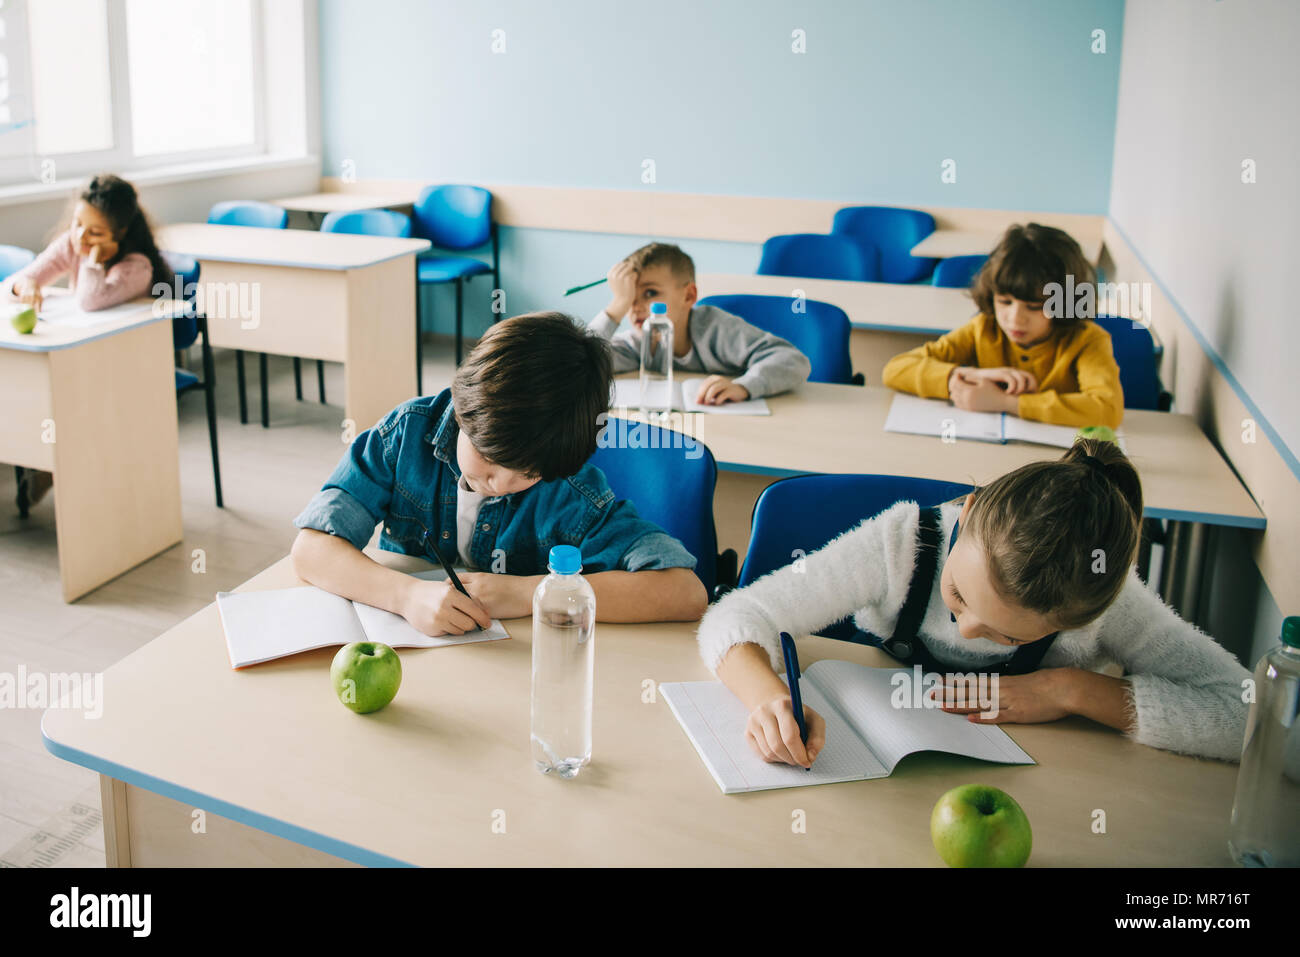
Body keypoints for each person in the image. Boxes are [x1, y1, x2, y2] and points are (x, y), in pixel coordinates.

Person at [697, 439, 1249, 765]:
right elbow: (739, 613)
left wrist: (1072, 689)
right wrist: (765, 696)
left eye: (1009, 636)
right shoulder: (904, 544)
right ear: (968, 510)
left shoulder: (1105, 598)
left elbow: (1250, 715)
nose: (965, 632)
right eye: (959, 595)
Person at [291, 312, 709, 635]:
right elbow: (310, 550)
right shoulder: (403, 437)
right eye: (487, 456)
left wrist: (532, 592)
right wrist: (405, 595)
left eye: (527, 472)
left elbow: (685, 592)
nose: (501, 484)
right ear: (461, 405)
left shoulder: (570, 491)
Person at [7, 174, 173, 509]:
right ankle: (47, 463)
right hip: (82, 352)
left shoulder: (136, 266)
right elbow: (17, 280)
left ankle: (56, 468)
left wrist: (94, 260)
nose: (81, 237)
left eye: (95, 232)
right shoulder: (72, 243)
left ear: (120, 233)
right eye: (77, 224)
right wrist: (23, 286)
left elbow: (90, 300)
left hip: (126, 363)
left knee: (71, 397)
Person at [883, 223, 1124, 428]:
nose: (1015, 318)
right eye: (1005, 302)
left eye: (1033, 306)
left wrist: (1007, 403)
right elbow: (895, 369)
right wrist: (967, 374)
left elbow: (1107, 410)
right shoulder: (983, 328)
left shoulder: (1088, 340)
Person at [589, 242, 810, 405]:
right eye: (628, 296)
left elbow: (792, 360)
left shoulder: (718, 330)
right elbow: (577, 361)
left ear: (688, 296)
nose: (635, 305)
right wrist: (615, 308)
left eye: (649, 293)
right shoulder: (636, 343)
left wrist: (744, 386)